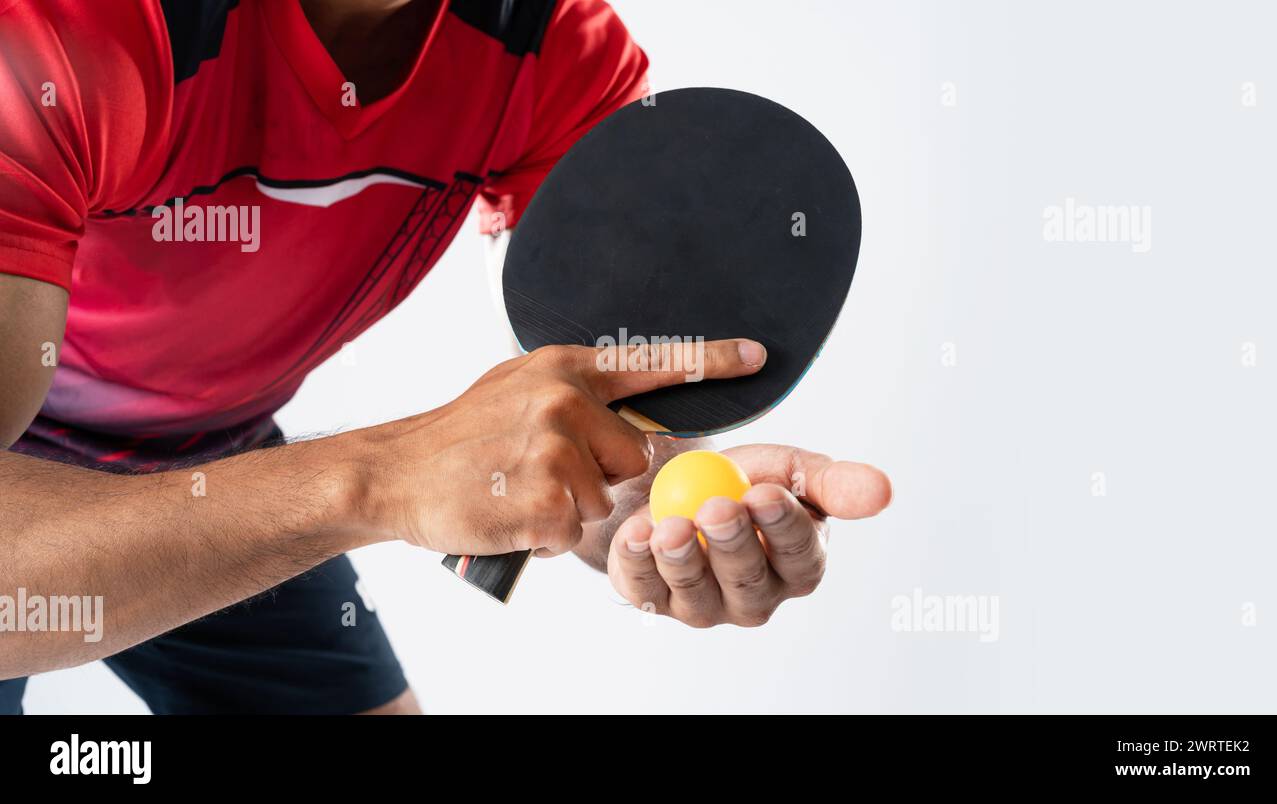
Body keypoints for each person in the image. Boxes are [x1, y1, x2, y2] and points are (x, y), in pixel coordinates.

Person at [0, 0, 891, 714]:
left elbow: (593, 400)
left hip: (218, 458)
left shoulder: (555, 52)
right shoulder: (69, 35)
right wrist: (378, 479)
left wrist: (645, 500)